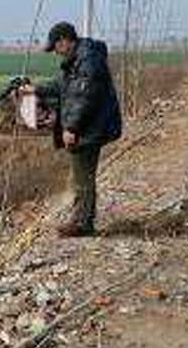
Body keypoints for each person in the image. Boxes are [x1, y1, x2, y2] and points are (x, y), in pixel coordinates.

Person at [21, 21, 122, 237]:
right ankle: (81, 218)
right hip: (89, 125)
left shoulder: (88, 61)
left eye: (56, 47)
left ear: (65, 40)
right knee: (81, 175)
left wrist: (71, 128)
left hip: (90, 127)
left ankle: (83, 224)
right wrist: (34, 88)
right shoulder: (79, 59)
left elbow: (84, 97)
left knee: (83, 176)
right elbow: (61, 85)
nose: (56, 53)